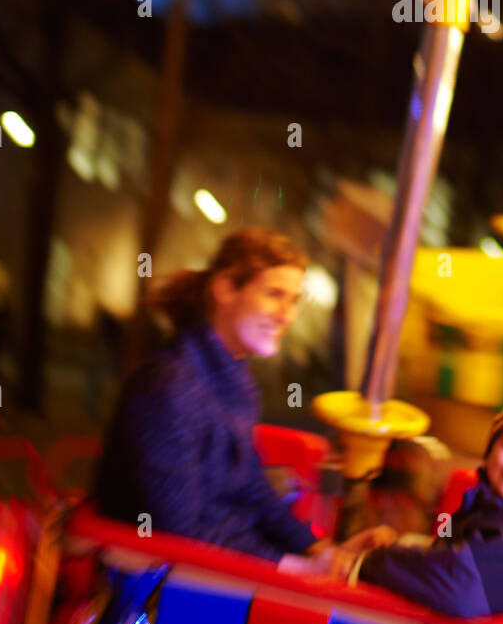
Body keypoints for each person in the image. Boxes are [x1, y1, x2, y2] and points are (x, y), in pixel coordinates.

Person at [94, 229, 356, 576]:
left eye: (293, 300)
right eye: (274, 294)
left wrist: (315, 547)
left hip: (218, 563)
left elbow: (250, 484)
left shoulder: (236, 378)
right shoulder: (170, 387)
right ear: (226, 288)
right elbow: (180, 532)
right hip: (156, 581)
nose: (287, 315)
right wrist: (293, 567)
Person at [343, 395, 503, 624]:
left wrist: (368, 564)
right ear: (489, 451)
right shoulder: (493, 502)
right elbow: (450, 545)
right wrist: (402, 547)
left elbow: (460, 587)